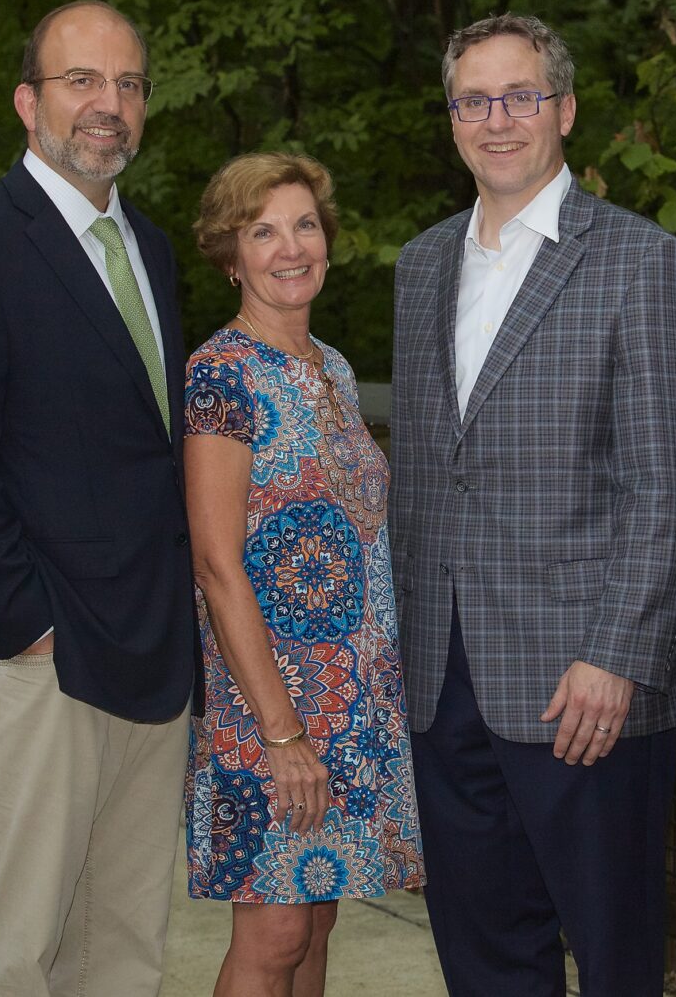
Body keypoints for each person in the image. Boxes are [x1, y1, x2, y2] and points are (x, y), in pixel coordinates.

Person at [390, 12, 676, 996]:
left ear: (563, 110)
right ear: (450, 118)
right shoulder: (421, 263)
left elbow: (669, 481)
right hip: (442, 682)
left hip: (582, 688)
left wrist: (619, 652)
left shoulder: (640, 260)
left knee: (612, 952)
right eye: (473, 99)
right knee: (484, 952)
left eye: (520, 96)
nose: (498, 120)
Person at [0, 0, 194, 995]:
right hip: (49, 652)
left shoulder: (149, 251)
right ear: (29, 103)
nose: (107, 105)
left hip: (152, 646)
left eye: (127, 84)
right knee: (24, 949)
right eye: (81, 81)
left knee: (124, 945)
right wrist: (24, 624)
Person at [182, 151, 426, 996]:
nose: (291, 248)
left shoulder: (332, 367)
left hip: (350, 700)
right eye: (263, 230)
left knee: (316, 920)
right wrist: (283, 734)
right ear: (231, 254)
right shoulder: (222, 375)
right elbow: (216, 564)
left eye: (305, 225)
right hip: (270, 705)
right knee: (275, 927)